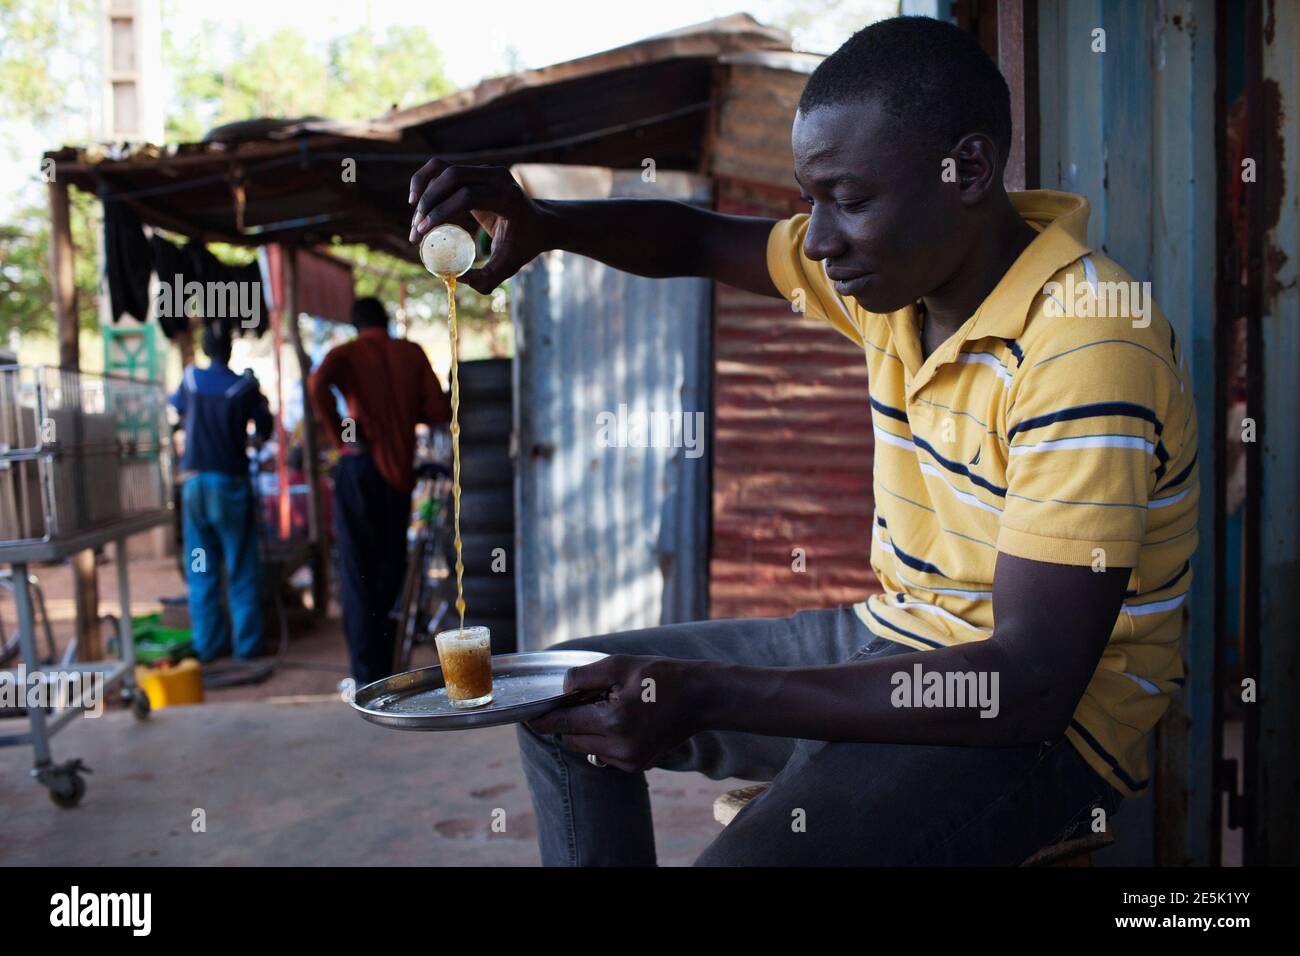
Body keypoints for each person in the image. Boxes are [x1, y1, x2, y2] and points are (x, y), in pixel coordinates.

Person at [408, 15, 1201, 867]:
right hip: (897, 632)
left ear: (967, 170)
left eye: (850, 201)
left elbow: (1030, 684)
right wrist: (548, 222)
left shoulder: (1086, 342)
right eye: (810, 201)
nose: (819, 242)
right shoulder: (888, 283)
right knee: (565, 695)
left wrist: (710, 691)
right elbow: (700, 238)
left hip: (1047, 727)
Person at [309, 298, 452, 686]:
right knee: (391, 568)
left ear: (356, 324)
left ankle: (366, 675)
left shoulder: (348, 353)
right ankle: (388, 671)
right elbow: (438, 410)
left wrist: (341, 433)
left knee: (358, 571)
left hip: (358, 463)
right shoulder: (410, 353)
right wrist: (402, 412)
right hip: (398, 474)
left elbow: (317, 383)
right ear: (386, 321)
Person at [171, 324, 273, 663]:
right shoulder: (242, 386)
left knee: (201, 567)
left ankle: (208, 646)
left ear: (204, 350)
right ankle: (247, 648)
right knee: (241, 566)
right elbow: (265, 428)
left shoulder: (191, 381)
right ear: (229, 351)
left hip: (195, 487)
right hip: (229, 488)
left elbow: (177, 411)